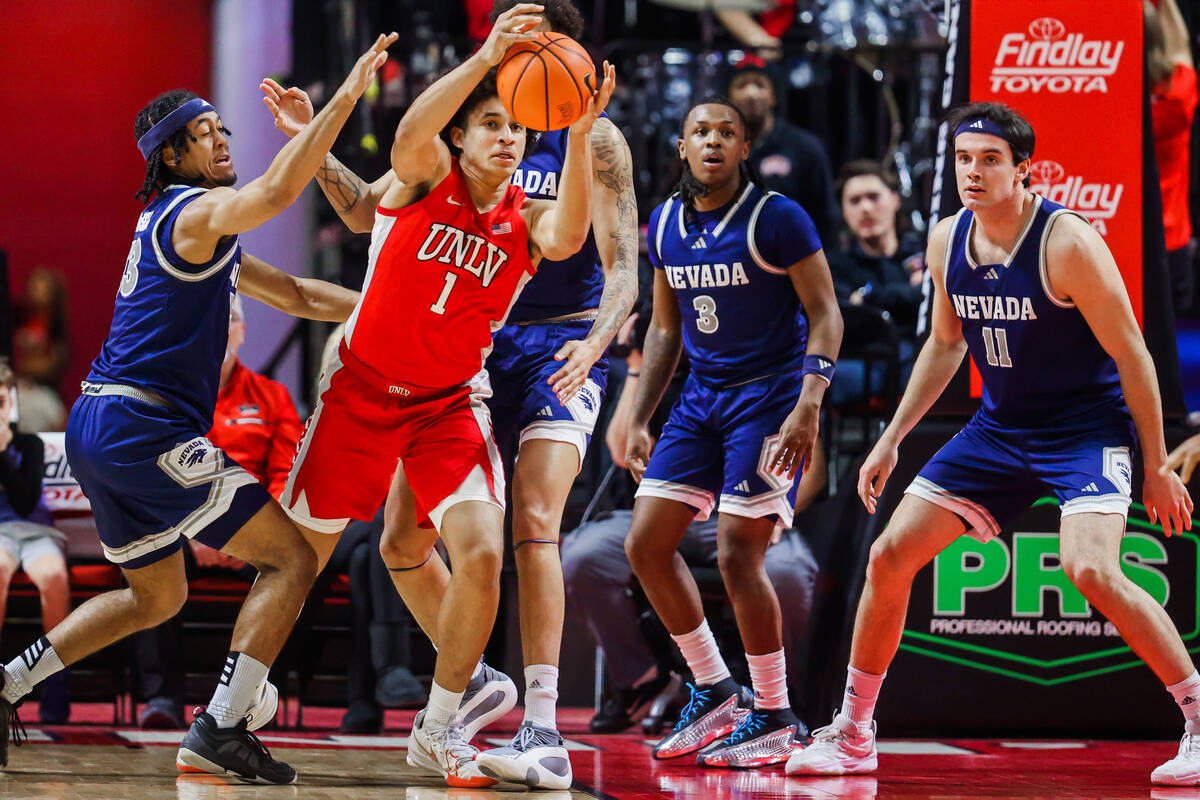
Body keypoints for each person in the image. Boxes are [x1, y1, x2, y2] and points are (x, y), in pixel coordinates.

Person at [0, 34, 394, 784]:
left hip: (103, 423)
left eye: (222, 130)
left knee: (156, 596)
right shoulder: (195, 210)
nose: (222, 141)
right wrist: (344, 98)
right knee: (290, 558)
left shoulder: (194, 230)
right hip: (141, 425)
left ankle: (8, 681)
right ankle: (221, 725)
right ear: (172, 155)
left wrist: (392, 314)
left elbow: (301, 294)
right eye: (206, 134)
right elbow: (275, 194)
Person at [265, 0, 634, 785]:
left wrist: (598, 341)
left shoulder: (590, 135)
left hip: (559, 346)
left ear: (563, 49)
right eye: (515, 39)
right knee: (401, 542)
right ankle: (469, 684)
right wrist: (311, 140)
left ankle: (541, 723)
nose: (523, 53)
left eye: (538, 40)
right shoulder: (466, 122)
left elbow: (618, 263)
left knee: (533, 519)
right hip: (464, 354)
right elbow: (364, 209)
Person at [786, 102, 1198, 788]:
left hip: (1084, 428)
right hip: (1000, 429)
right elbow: (945, 344)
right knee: (889, 556)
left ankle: (1197, 721)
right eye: (962, 160)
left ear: (1023, 170)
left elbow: (1134, 356)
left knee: (1090, 570)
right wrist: (892, 439)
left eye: (989, 160)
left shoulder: (1067, 242)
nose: (972, 172)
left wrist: (1154, 465)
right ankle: (853, 733)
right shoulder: (948, 239)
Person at [623, 95, 842, 769]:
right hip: (701, 398)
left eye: (727, 132)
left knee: (738, 554)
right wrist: (638, 415)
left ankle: (777, 713)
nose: (713, 141)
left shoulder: (777, 217)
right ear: (682, 146)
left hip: (770, 397)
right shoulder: (664, 223)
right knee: (645, 544)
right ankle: (716, 688)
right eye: (701, 131)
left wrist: (809, 403)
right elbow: (665, 330)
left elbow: (826, 314)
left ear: (746, 149)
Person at [132, 295, 304, 729]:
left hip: (255, 530)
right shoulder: (167, 396)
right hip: (185, 529)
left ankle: (256, 697)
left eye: (230, 320)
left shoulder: (272, 397)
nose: (222, 329)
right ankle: (161, 697)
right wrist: (195, 532)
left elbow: (285, 475)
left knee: (300, 565)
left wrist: (253, 533)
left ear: (243, 331)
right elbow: (151, 475)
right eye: (211, 319)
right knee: (147, 560)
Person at [0, 358, 71, 723]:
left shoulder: (30, 445)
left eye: (2, 401)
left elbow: (26, 501)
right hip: (0, 534)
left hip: (36, 530)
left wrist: (3, 452)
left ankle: (57, 684)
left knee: (54, 577)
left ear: (11, 402)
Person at [828, 159, 924, 403]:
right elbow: (846, 320)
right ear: (844, 211)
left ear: (895, 200)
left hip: (918, 361)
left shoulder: (923, 253)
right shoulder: (835, 267)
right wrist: (911, 293)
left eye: (873, 197)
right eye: (855, 201)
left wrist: (868, 296)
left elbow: (933, 300)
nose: (865, 208)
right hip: (861, 366)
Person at [726, 63, 837, 246]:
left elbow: (825, 217)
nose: (751, 93)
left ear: (773, 97)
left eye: (760, 85)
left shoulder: (804, 148)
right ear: (729, 98)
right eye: (742, 85)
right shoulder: (718, 150)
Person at [1147, 0, 1198, 314]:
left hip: (1119, 242)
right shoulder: (1178, 93)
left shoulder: (1108, 101)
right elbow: (1180, 46)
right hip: (1171, 245)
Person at [12, 267, 70, 433]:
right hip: (17, 387)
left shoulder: (56, 327)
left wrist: (29, 366)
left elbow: (52, 367)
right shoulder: (18, 319)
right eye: (35, 284)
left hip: (44, 392)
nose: (38, 290)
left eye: (45, 286)